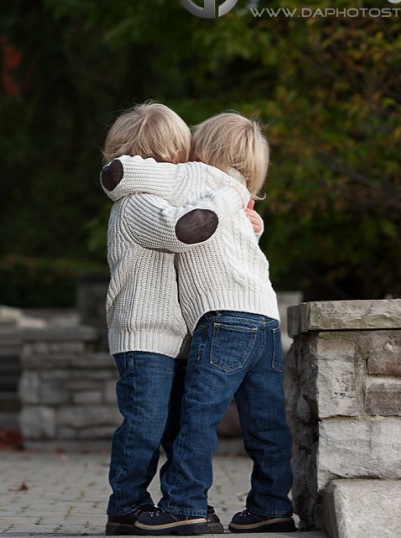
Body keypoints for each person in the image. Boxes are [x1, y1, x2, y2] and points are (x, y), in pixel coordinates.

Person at [103, 111, 296, 535]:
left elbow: (210, 233)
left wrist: (241, 211)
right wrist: (238, 193)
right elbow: (177, 222)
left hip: (215, 320)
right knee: (258, 421)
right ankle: (266, 506)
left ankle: (186, 504)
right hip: (238, 320)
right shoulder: (160, 198)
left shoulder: (197, 181)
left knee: (196, 418)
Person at [99, 102, 244, 536]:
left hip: (177, 335)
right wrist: (232, 192)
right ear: (173, 154)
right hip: (143, 335)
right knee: (145, 424)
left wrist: (245, 222)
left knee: (178, 425)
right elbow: (185, 229)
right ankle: (125, 505)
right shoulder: (137, 203)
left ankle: (181, 502)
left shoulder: (163, 196)